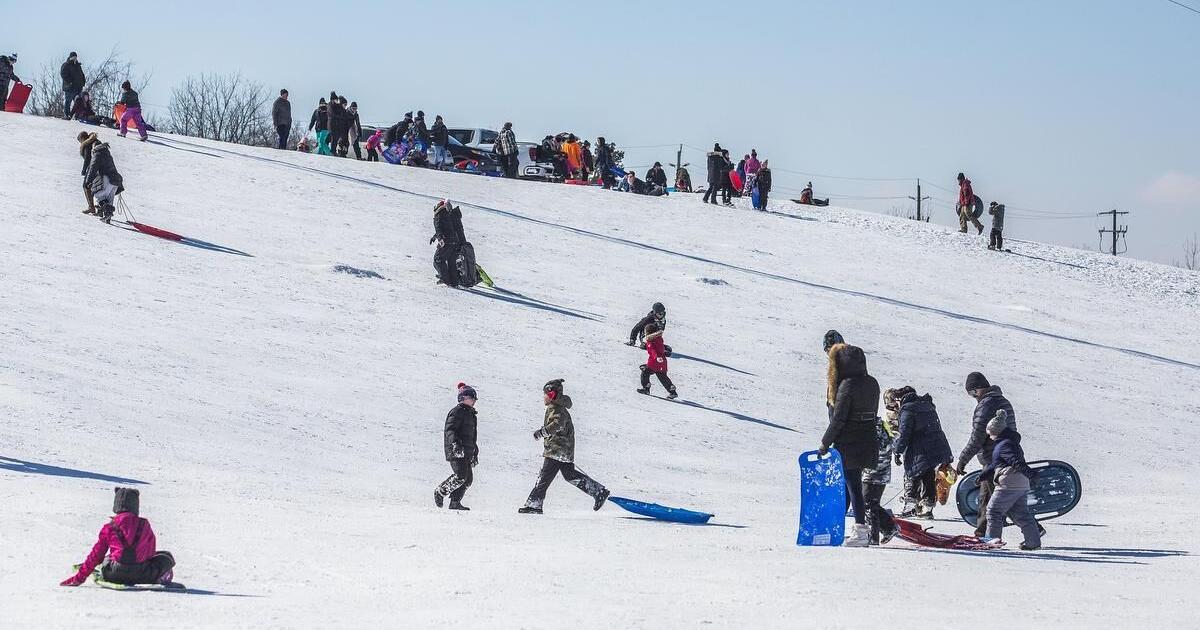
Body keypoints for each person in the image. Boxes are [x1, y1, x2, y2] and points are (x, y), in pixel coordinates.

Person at [818, 343, 881, 547]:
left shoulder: (847, 385)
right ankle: (836, 526)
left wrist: (825, 443)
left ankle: (860, 530)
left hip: (849, 440)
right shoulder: (872, 382)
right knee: (848, 485)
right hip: (868, 438)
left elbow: (838, 420)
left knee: (852, 484)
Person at [519, 379, 610, 514]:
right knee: (569, 474)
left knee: (544, 476)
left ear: (551, 395)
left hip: (557, 450)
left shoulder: (557, 409)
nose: (544, 397)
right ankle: (598, 492)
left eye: (545, 394)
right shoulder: (556, 407)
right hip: (562, 449)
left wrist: (541, 432)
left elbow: (557, 424)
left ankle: (534, 504)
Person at [59, 488, 176, 587]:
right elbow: (150, 553)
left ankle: (106, 565)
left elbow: (96, 556)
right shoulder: (144, 524)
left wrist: (79, 578)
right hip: (143, 574)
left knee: (107, 558)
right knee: (166, 556)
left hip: (114, 574)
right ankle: (161, 576)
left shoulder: (109, 527)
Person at [955, 371, 1016, 537]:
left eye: (972, 393)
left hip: (993, 458)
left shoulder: (986, 405)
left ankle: (982, 534)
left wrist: (962, 460)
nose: (973, 397)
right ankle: (1033, 527)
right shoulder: (1004, 401)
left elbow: (977, 437)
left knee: (988, 498)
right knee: (1000, 497)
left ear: (978, 389)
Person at [979, 410, 1041, 550]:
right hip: (1020, 483)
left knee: (993, 511)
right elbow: (997, 463)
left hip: (1009, 482)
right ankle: (1033, 543)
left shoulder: (1005, 444)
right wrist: (984, 475)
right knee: (1021, 514)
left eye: (990, 432)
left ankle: (992, 542)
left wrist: (1031, 473)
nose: (988, 435)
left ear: (996, 431)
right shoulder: (1008, 442)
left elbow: (1015, 461)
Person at [892, 389, 954, 519]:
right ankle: (927, 508)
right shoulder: (927, 406)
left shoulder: (908, 410)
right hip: (936, 446)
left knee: (912, 474)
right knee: (928, 475)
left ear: (901, 399)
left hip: (919, 448)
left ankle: (909, 507)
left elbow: (904, 434)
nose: (895, 405)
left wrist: (897, 451)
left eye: (896, 401)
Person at [434, 384, 479, 511]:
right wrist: (455, 444)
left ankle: (455, 502)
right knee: (460, 476)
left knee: (468, 479)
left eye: (475, 398)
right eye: (472, 397)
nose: (474, 400)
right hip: (456, 450)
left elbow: (472, 436)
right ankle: (441, 491)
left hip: (467, 451)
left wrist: (475, 451)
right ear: (463, 398)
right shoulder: (457, 412)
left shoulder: (471, 414)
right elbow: (450, 430)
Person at [862, 401, 897, 546]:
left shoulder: (870, 427)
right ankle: (887, 528)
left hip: (873, 470)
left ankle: (876, 535)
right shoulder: (881, 424)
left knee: (868, 503)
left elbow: (875, 447)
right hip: (882, 470)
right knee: (872, 503)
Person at [79, 131, 124, 223]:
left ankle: (106, 212)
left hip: (108, 178)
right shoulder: (106, 152)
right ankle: (107, 218)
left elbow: (93, 167)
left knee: (98, 196)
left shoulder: (97, 152)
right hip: (116, 180)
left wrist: (88, 181)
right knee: (109, 199)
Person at [637, 321, 678, 399]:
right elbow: (659, 347)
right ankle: (672, 391)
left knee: (645, 371)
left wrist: (656, 356)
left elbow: (652, 350)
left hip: (654, 362)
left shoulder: (650, 341)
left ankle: (646, 387)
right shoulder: (659, 339)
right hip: (663, 362)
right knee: (662, 376)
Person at [430, 199, 467, 286]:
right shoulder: (449, 215)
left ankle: (445, 279)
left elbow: (438, 227)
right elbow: (447, 228)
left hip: (447, 241)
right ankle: (454, 282)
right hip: (455, 241)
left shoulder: (438, 215)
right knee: (451, 262)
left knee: (438, 260)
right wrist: (435, 236)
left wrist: (440, 238)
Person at [60, 52, 86, 120]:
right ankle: (67, 115)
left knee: (78, 102)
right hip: (69, 87)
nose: (74, 58)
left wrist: (83, 82)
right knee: (68, 101)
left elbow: (82, 75)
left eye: (75, 57)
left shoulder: (78, 66)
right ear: (70, 57)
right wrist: (70, 82)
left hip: (78, 87)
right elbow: (63, 74)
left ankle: (78, 116)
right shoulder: (66, 65)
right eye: (73, 57)